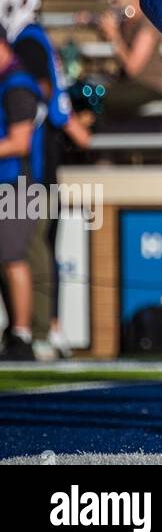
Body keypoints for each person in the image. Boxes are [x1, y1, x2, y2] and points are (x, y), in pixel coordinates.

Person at [1, 0, 92, 360]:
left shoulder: (25, 53)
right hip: (32, 168)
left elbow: (41, 100)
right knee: (29, 249)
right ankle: (40, 329)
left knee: (28, 251)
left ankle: (38, 331)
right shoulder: (33, 43)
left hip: (30, 170)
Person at [0, 29, 44, 361]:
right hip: (11, 182)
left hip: (19, 185)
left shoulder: (16, 85)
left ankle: (22, 333)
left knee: (13, 257)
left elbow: (20, 142)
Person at [94, 0, 162, 124]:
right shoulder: (126, 19)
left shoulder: (148, 21)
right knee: (87, 92)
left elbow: (132, 68)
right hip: (127, 85)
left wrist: (114, 36)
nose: (113, 2)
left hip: (147, 87)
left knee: (95, 98)